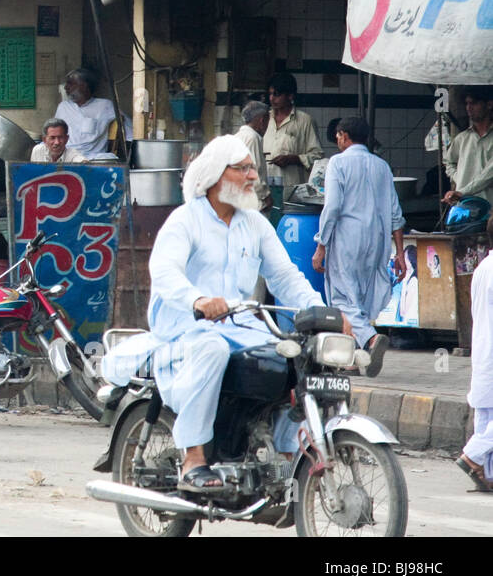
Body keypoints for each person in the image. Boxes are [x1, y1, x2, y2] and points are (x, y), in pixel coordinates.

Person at [104, 135, 326, 493]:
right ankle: (194, 458)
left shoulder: (255, 224)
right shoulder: (184, 220)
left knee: (293, 356)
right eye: (242, 169)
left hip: (240, 326)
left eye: (253, 167)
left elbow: (285, 277)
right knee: (212, 349)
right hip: (183, 327)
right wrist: (197, 300)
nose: (253, 176)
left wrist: (322, 312)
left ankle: (284, 455)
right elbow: (164, 271)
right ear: (216, 176)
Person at [311, 118, 404, 377]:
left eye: (338, 136)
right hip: (377, 239)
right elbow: (396, 213)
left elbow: (332, 208)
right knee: (359, 298)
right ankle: (350, 360)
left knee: (342, 298)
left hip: (347, 239)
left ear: (343, 136)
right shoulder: (382, 166)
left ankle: (371, 339)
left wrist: (321, 244)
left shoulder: (337, 163)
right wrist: (399, 253)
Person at [457, 226, 493, 493]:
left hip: (483, 350)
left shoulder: (482, 268)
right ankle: (473, 454)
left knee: (485, 415)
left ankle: (485, 474)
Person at [263, 72, 323, 189]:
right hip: (266, 189)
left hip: (291, 190)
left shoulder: (305, 121)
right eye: (270, 94)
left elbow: (317, 157)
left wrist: (295, 159)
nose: (271, 98)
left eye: (276, 94)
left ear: (290, 96)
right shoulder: (264, 119)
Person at [443, 86, 493, 209]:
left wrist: (462, 191)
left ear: (489, 105)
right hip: (463, 208)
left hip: (489, 208)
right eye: (467, 104)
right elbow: (448, 162)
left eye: (474, 103)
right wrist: (459, 177)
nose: (469, 108)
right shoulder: (462, 138)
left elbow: (489, 175)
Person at [53, 68, 118, 158]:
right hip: (65, 155)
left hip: (91, 157)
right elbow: (54, 130)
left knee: (109, 158)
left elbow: (127, 126)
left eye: (70, 83)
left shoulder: (105, 105)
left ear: (83, 86)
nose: (65, 87)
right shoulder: (64, 106)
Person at [233, 101, 272, 212]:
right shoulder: (252, 137)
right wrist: (265, 195)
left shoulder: (240, 136)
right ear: (262, 120)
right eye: (268, 121)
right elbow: (253, 172)